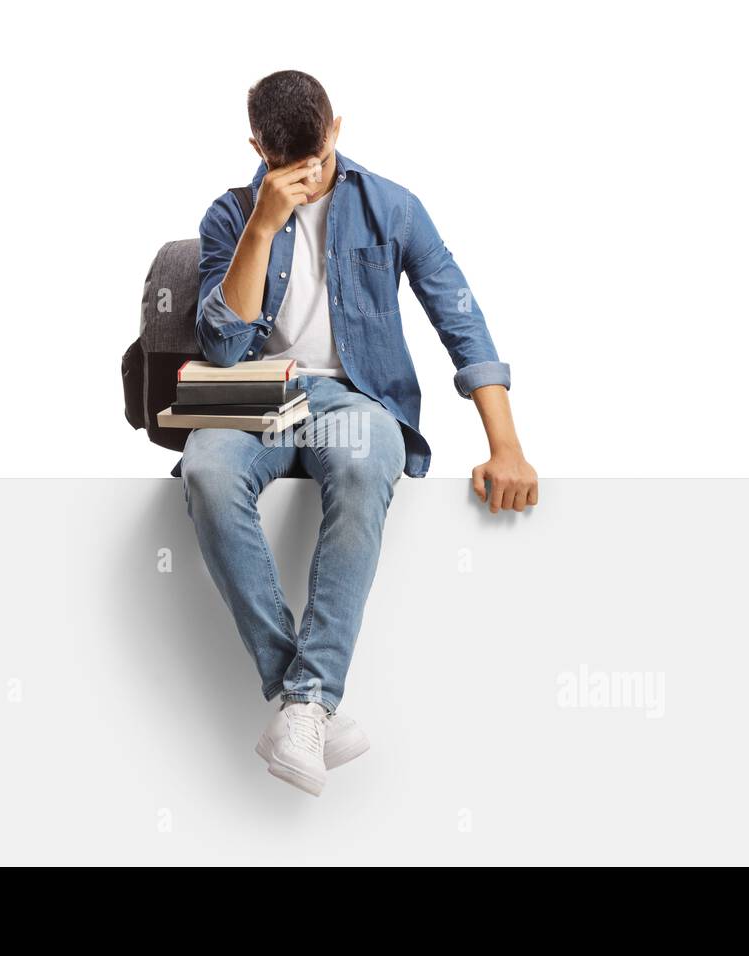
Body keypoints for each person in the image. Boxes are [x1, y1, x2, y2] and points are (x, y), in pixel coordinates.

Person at [179, 70, 538, 795]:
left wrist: (506, 444)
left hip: (353, 399)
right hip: (256, 401)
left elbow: (459, 317)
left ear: (337, 129)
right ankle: (308, 700)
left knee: (368, 460)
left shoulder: (393, 207)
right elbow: (220, 349)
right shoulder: (230, 214)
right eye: (289, 166)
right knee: (207, 473)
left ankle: (304, 702)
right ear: (257, 147)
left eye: (317, 157)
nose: (308, 178)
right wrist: (262, 224)